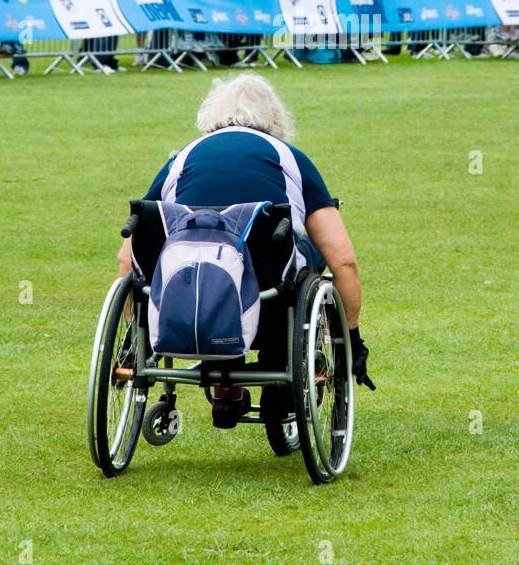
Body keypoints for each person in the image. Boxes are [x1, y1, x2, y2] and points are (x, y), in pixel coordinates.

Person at [117, 74, 372, 428]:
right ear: (275, 117)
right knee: (303, 249)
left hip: (184, 302)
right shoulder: (289, 158)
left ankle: (224, 384)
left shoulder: (182, 158)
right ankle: (280, 366)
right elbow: (344, 260)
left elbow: (127, 255)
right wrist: (352, 340)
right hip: (270, 302)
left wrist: (134, 332)